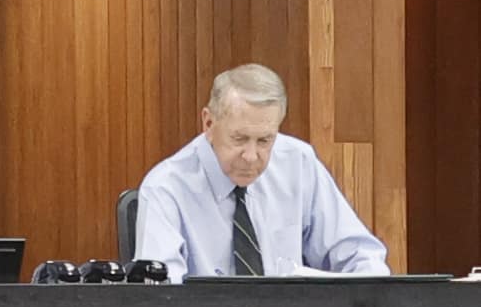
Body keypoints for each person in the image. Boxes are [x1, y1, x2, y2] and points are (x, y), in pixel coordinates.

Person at [134, 63, 390, 282]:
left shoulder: (298, 164)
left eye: (265, 141)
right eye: (239, 138)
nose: (251, 156)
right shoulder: (165, 188)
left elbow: (362, 257)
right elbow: (161, 298)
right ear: (209, 124)